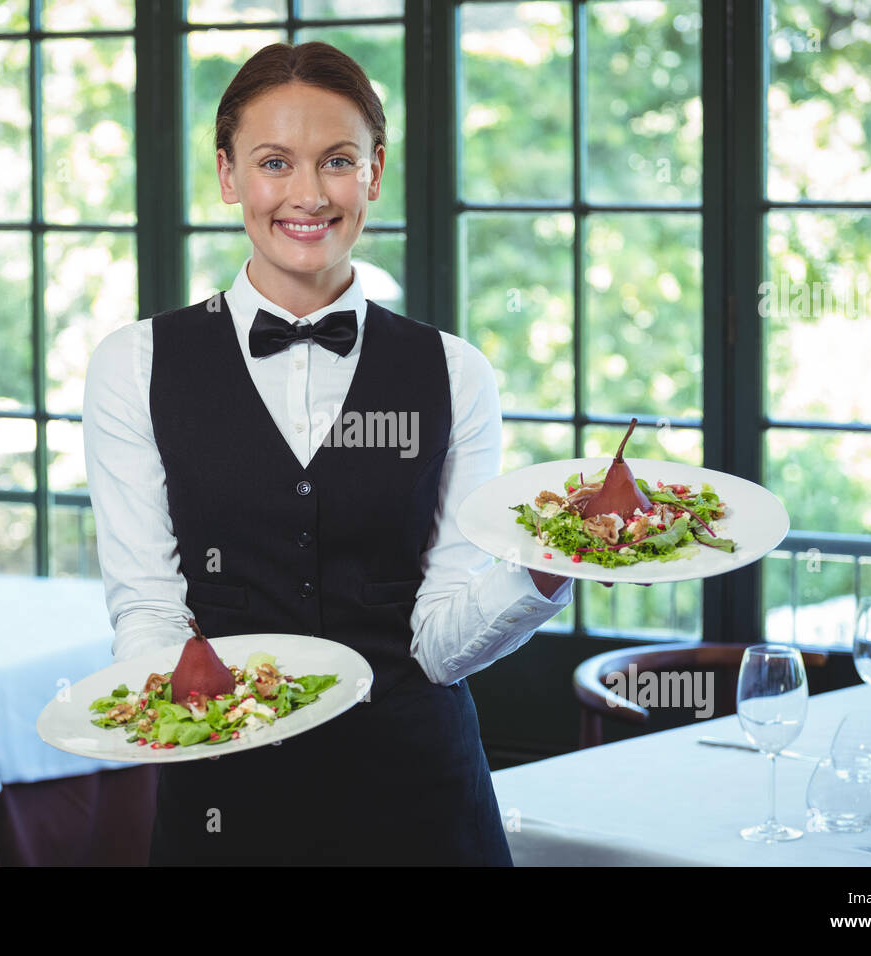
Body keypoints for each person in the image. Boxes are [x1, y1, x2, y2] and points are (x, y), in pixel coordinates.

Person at [82, 41, 577, 866]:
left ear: (374, 173)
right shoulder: (133, 365)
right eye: (274, 162)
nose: (308, 195)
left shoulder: (456, 371)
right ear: (228, 175)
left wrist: (544, 571)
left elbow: (439, 642)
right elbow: (149, 612)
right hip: (226, 808)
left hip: (420, 805)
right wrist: (182, 715)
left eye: (337, 161)